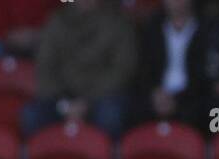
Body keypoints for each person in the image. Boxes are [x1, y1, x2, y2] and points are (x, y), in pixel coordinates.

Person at [22, 0, 139, 139]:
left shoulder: (119, 22)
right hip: (62, 97)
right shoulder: (57, 21)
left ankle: (108, 158)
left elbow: (123, 69)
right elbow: (45, 67)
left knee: (110, 115)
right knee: (31, 115)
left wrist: (87, 101)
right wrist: (64, 104)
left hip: (102, 96)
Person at [135, 0, 212, 126]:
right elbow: (144, 69)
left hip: (193, 97)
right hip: (157, 95)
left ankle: (217, 142)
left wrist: (177, 99)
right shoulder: (152, 27)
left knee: (217, 111)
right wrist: (155, 93)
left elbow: (207, 74)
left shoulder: (208, 29)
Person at [0, 0, 60, 65]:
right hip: (7, 42)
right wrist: (14, 37)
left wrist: (38, 35)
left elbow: (62, 18)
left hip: (41, 40)